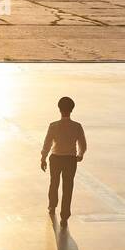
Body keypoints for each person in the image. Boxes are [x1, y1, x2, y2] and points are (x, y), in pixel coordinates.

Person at [40, 96, 87, 225]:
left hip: (55, 158)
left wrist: (43, 158)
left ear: (59, 109)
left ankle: (52, 206)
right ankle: (64, 216)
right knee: (68, 187)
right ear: (72, 110)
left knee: (54, 183)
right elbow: (83, 144)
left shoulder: (53, 126)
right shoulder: (77, 126)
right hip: (70, 159)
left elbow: (47, 144)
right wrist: (80, 154)